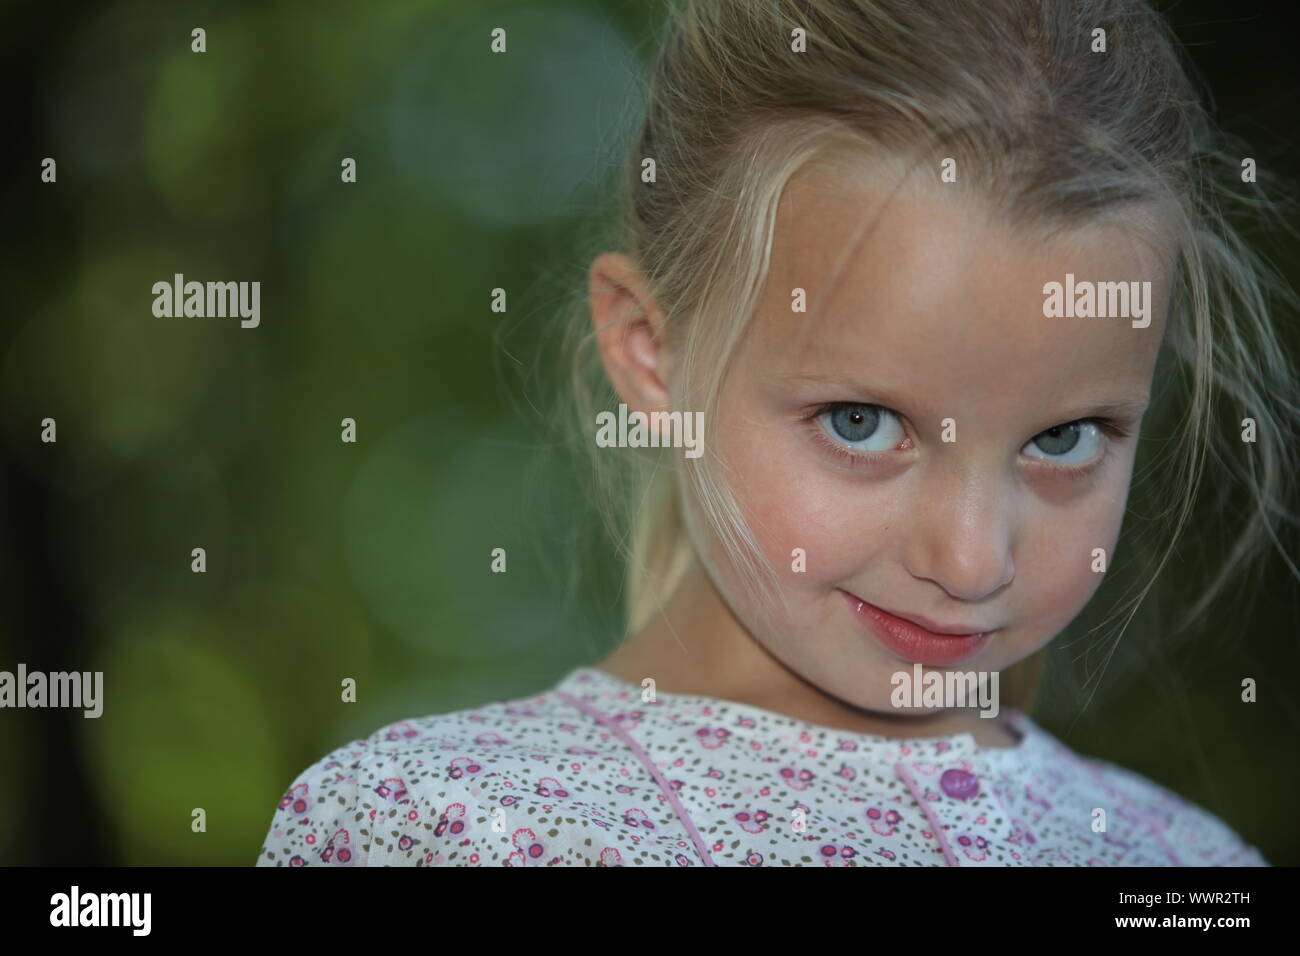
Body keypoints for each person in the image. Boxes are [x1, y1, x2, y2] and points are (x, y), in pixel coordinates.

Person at [257, 0, 1296, 866]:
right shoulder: (436, 828)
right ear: (649, 351)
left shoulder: (1183, 863)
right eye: (861, 421)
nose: (973, 557)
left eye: (1065, 437)